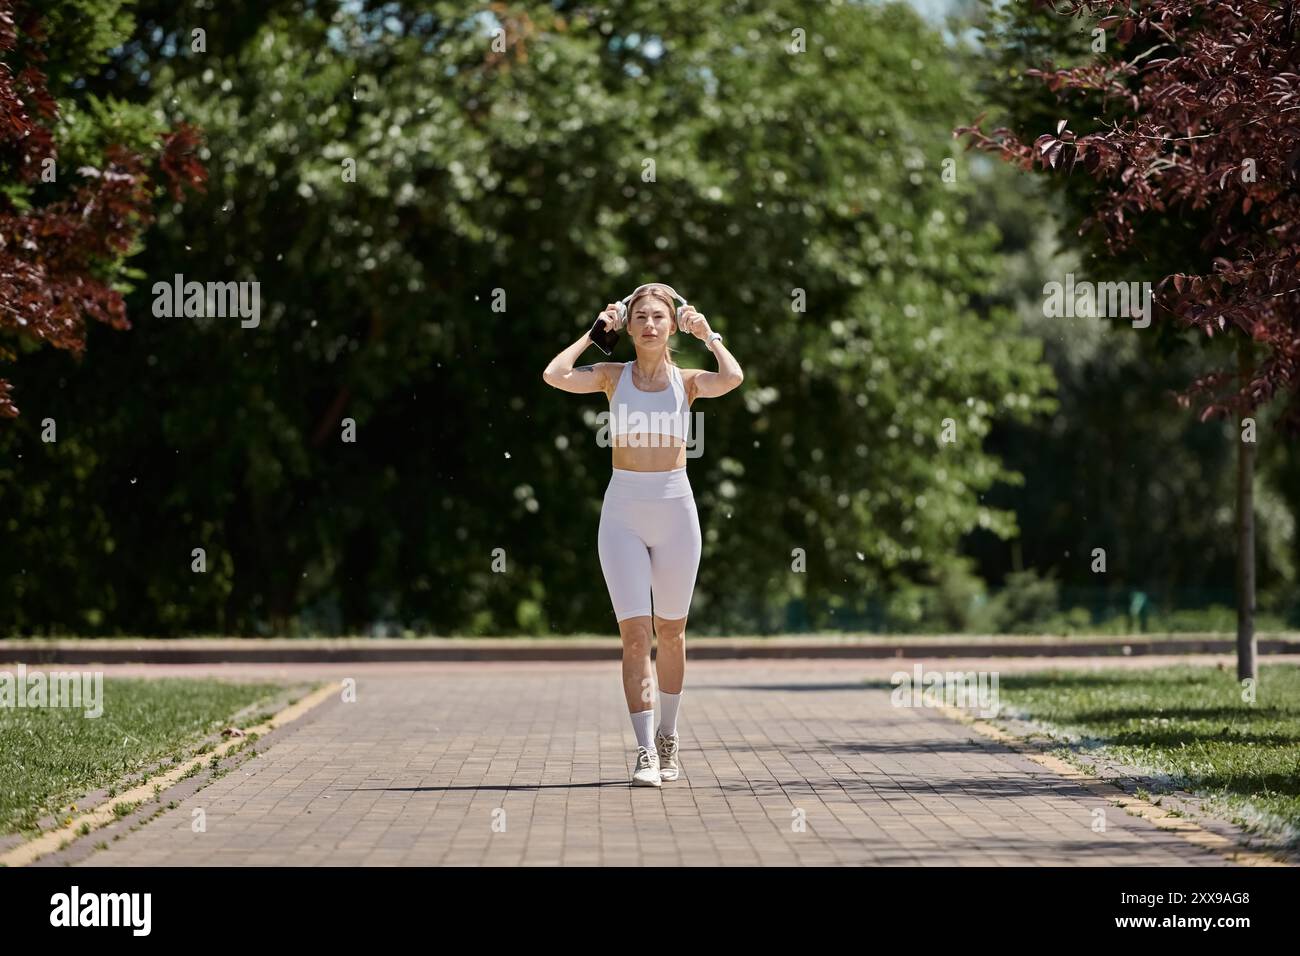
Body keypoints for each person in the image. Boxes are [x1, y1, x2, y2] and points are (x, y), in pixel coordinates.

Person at [542, 283, 743, 786]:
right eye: (640, 318)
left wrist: (709, 334)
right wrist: (594, 333)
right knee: (635, 637)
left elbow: (733, 377)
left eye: (659, 317)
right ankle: (644, 750)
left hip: (675, 509)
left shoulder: (689, 380)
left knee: (671, 632)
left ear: (672, 325)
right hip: (623, 512)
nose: (650, 324)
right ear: (627, 327)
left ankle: (669, 738)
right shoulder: (613, 376)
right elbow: (555, 375)